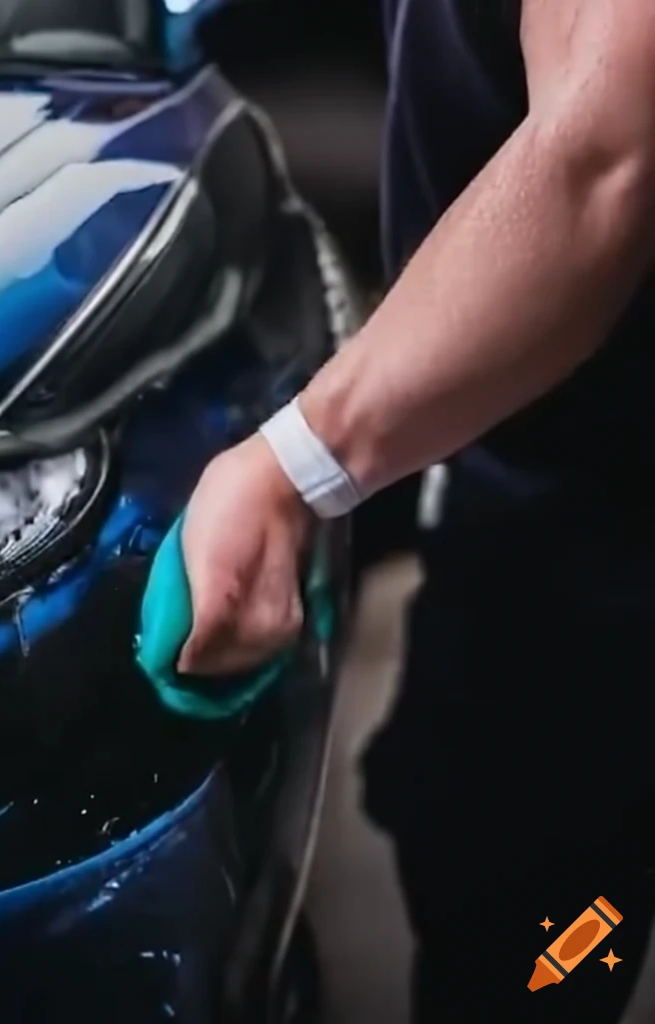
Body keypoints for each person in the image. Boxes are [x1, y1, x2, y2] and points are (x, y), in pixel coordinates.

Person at [177, 1, 655, 1020]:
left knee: (550, 939)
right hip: (530, 515)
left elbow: (601, 166)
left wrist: (296, 466)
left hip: (595, 576)